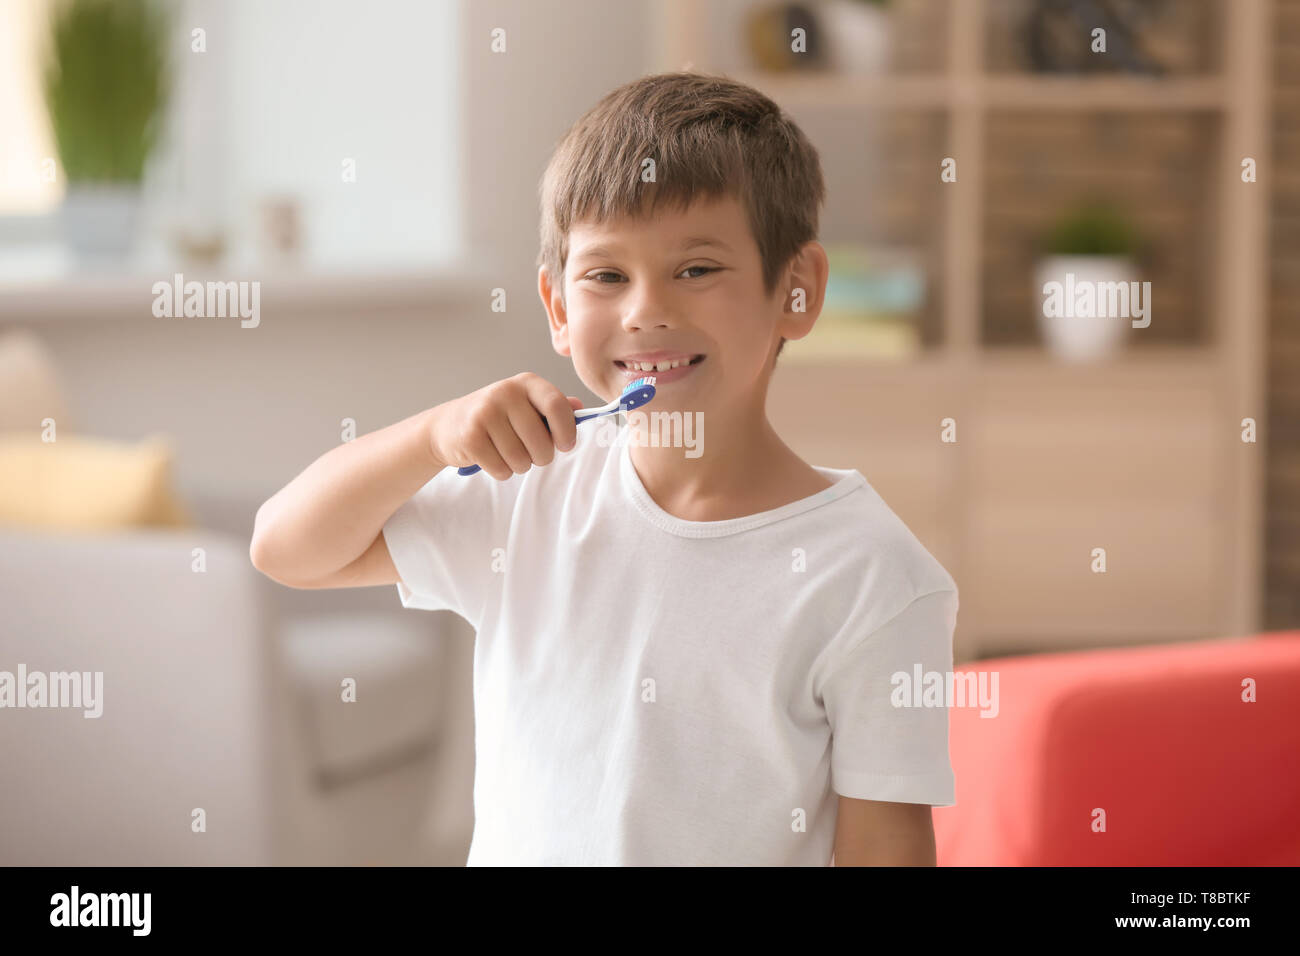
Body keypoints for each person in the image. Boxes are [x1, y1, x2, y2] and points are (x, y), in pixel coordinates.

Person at [251, 71, 959, 866]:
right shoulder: (528, 490)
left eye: (696, 268)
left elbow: (887, 848)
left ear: (795, 290)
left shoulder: (875, 578)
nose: (645, 311)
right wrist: (432, 436)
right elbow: (285, 548)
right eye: (607, 276)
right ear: (557, 308)